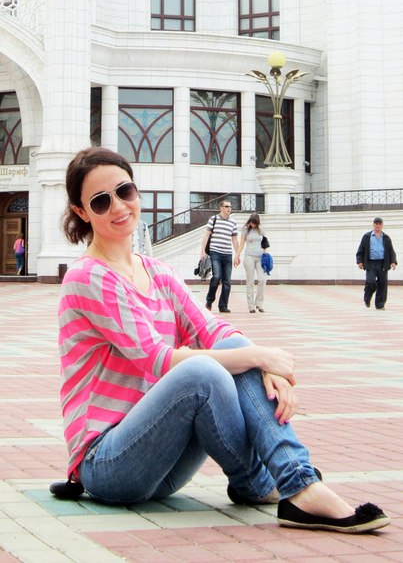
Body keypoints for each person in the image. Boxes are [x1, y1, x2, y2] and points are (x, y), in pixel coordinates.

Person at [53, 146, 390, 534]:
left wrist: (260, 361)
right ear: (81, 212)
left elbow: (213, 330)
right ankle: (285, 485)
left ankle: (291, 482)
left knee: (231, 350)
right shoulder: (88, 276)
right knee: (203, 372)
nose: (118, 206)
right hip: (107, 465)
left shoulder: (157, 273)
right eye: (100, 201)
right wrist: (261, 358)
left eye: (124, 191)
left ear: (136, 191)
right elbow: (156, 359)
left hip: (162, 467)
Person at [200, 200, 239, 313]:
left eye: (230, 206)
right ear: (221, 208)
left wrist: (237, 255)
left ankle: (223, 306)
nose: (229, 208)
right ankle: (209, 301)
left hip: (227, 254)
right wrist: (202, 251)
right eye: (226, 206)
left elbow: (235, 239)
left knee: (227, 282)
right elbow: (206, 235)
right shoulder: (214, 219)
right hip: (215, 252)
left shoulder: (233, 222)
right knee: (217, 276)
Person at [356, 217, 397, 310]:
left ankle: (380, 304)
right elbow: (361, 250)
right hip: (371, 263)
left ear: (382, 225)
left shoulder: (386, 238)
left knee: (382, 284)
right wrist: (359, 261)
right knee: (371, 282)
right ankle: (367, 299)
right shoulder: (367, 237)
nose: (378, 226)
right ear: (373, 225)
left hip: (383, 263)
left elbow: (391, 251)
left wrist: (393, 262)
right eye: (376, 224)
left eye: (379, 224)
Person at [234, 213, 269, 313]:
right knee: (250, 281)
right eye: (251, 223)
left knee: (262, 279)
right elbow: (241, 244)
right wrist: (236, 256)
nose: (253, 225)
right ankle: (251, 306)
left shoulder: (261, 230)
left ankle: (259, 303)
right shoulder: (245, 230)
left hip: (260, 257)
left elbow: (265, 244)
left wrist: (265, 255)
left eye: (255, 223)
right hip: (249, 257)